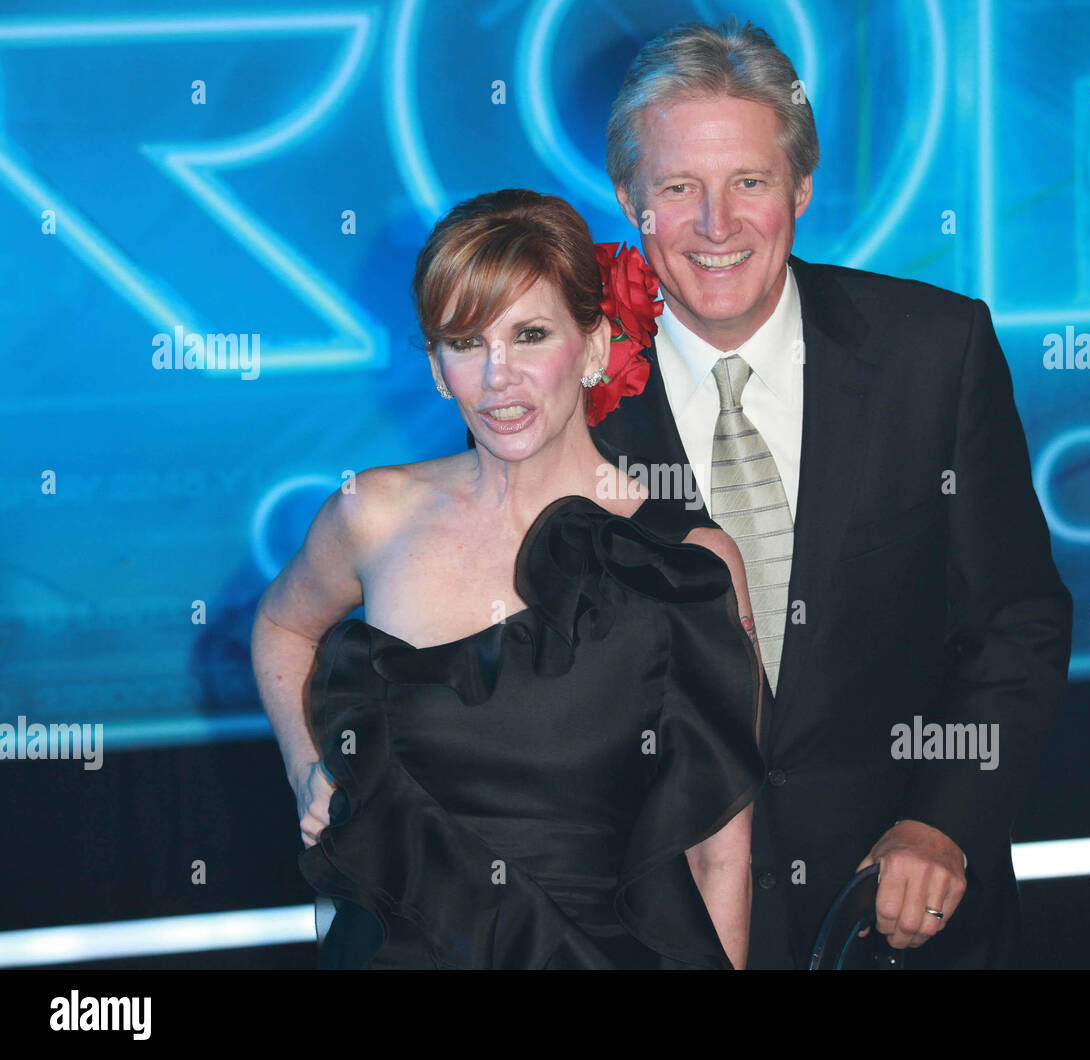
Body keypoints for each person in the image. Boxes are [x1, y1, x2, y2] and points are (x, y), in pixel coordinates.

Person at [590, 18, 1074, 969]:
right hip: (655, 937)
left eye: (750, 183)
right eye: (680, 188)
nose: (716, 224)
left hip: (902, 924)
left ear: (802, 187)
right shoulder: (565, 398)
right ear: (629, 200)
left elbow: (1016, 623)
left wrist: (944, 825)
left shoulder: (938, 350)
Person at [250, 188, 766, 969]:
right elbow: (282, 625)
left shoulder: (685, 563)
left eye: (530, 335)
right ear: (434, 367)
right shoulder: (373, 514)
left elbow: (719, 855)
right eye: (466, 342)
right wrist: (302, 766)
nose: (499, 377)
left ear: (594, 345)